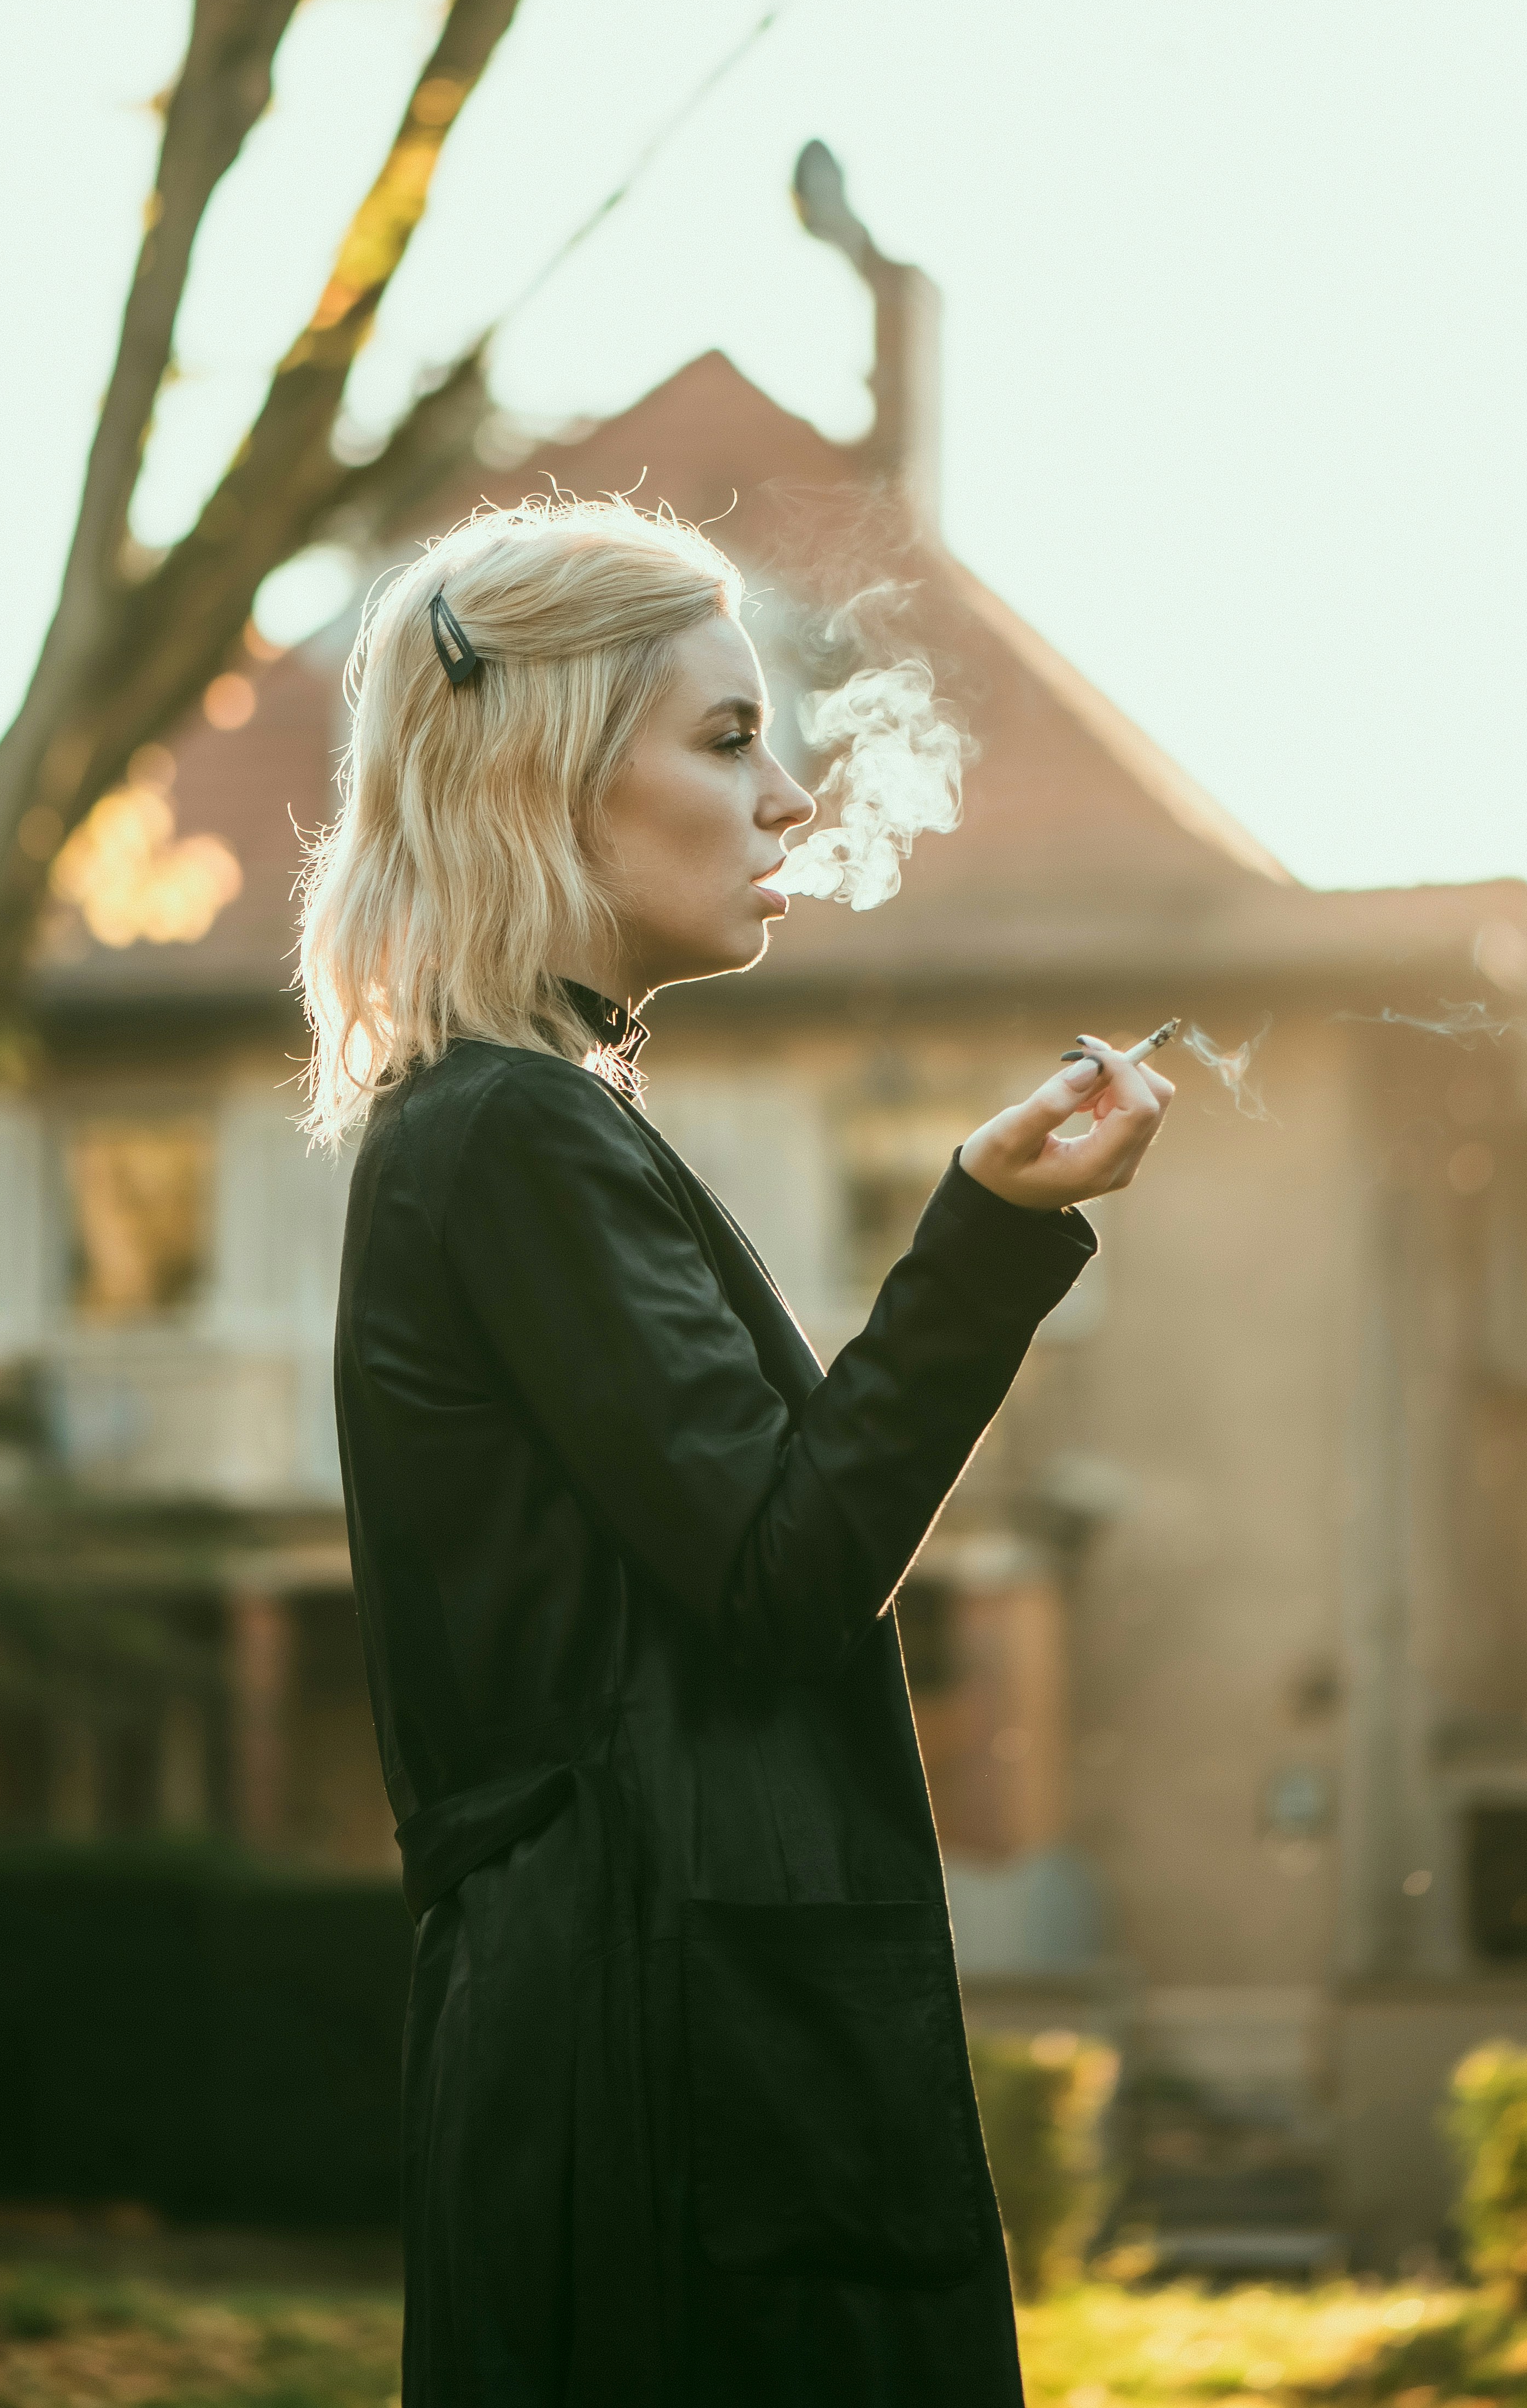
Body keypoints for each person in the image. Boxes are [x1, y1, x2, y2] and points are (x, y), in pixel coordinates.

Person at [300, 496, 1174, 2408]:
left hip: (634, 2026)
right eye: (723, 739)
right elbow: (784, 1570)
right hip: (647, 2063)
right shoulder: (513, 1134)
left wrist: (986, 1223)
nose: (786, 797)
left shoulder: (511, 1127)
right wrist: (982, 1237)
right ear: (541, 780)